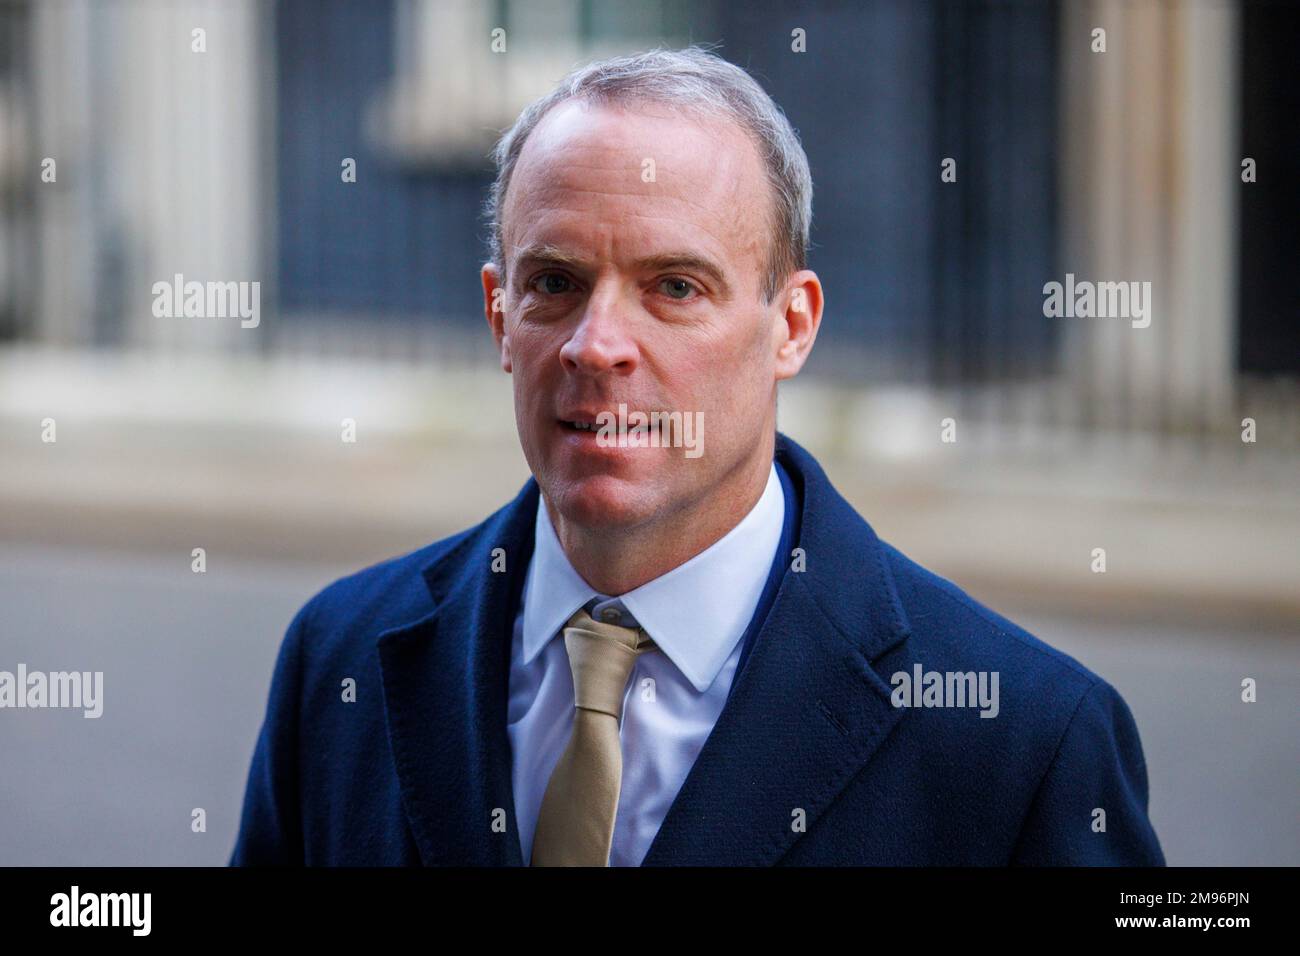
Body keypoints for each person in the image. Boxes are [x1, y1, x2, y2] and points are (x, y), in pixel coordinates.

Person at [230, 47, 1164, 866]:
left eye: (674, 287)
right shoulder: (338, 658)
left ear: (790, 326)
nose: (597, 346)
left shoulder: (1024, 741)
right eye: (553, 283)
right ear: (499, 317)